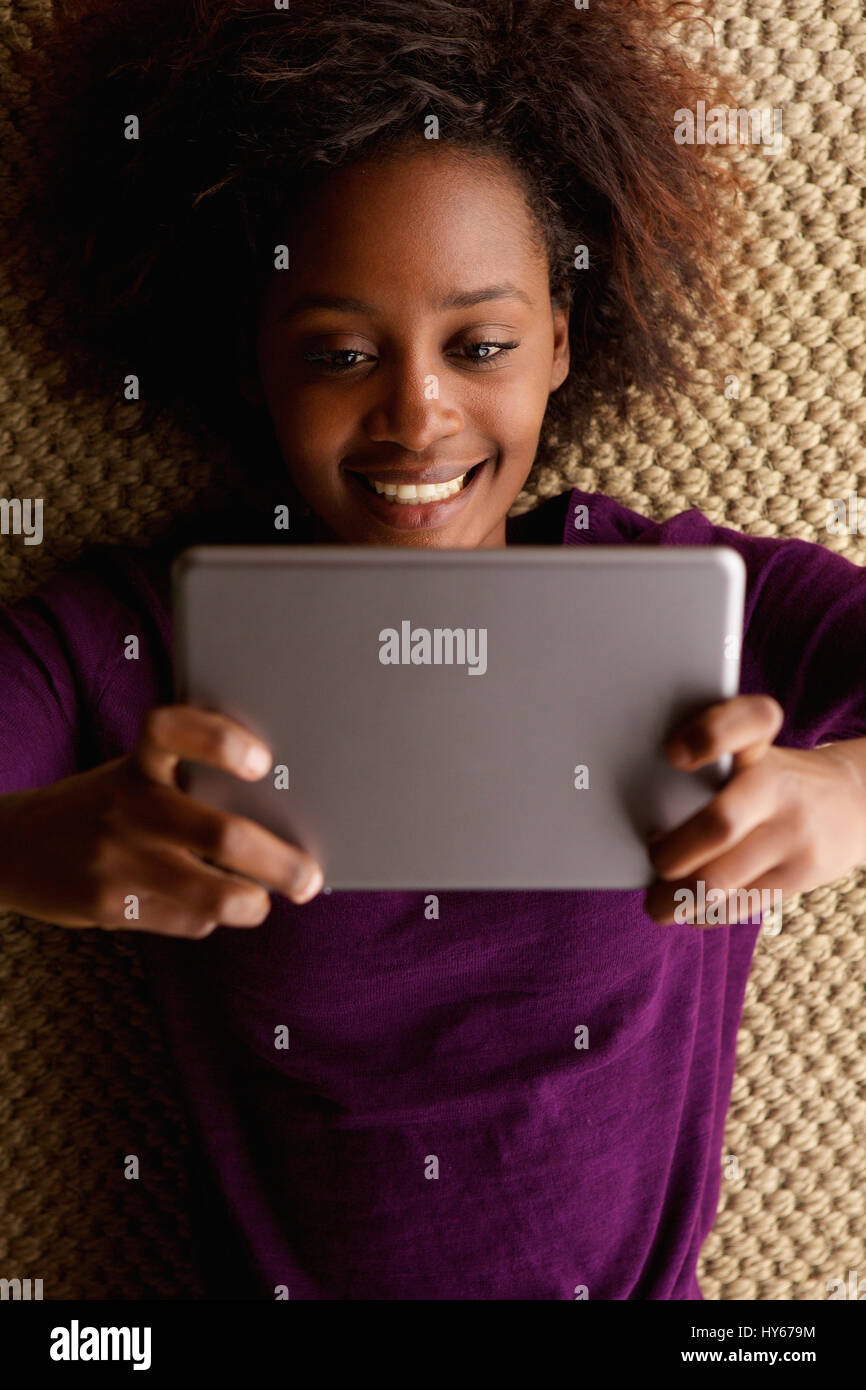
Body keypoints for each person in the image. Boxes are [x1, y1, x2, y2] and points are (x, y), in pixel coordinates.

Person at [1, 0, 865, 1299]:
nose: (416, 410)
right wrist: (22, 848)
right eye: (341, 351)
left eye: (481, 345)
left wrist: (849, 793)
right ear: (258, 362)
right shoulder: (141, 634)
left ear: (561, 344)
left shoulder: (697, 595)